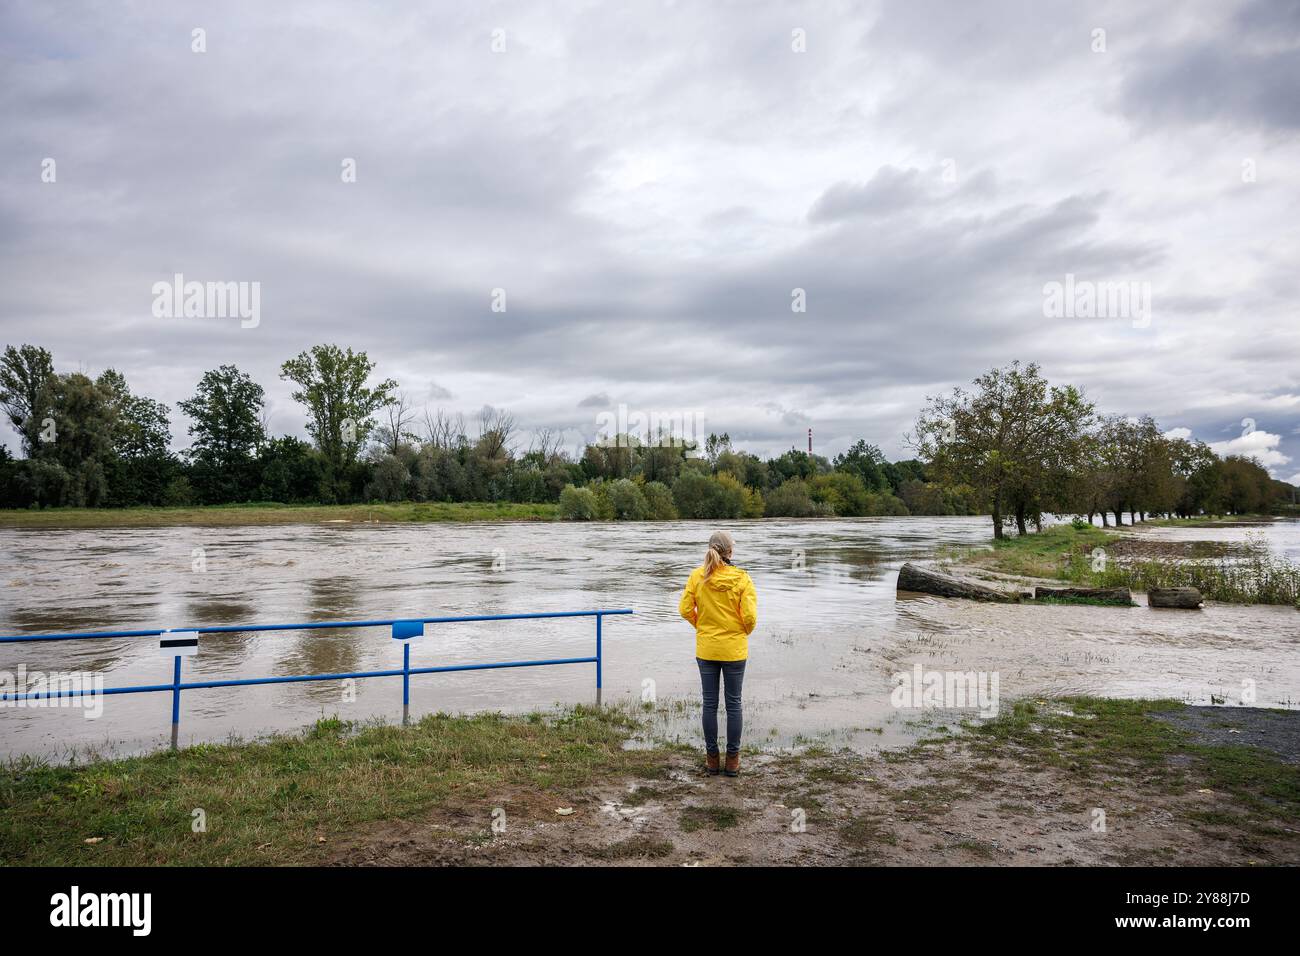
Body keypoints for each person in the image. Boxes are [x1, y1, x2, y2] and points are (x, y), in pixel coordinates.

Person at [678, 530, 757, 777]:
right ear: (730, 552)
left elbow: (684, 609)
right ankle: (732, 761)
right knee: (734, 703)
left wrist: (701, 625)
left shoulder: (696, 577)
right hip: (734, 650)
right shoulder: (742, 578)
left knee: (709, 704)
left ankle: (712, 760)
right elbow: (750, 617)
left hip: (707, 648)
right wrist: (741, 631)